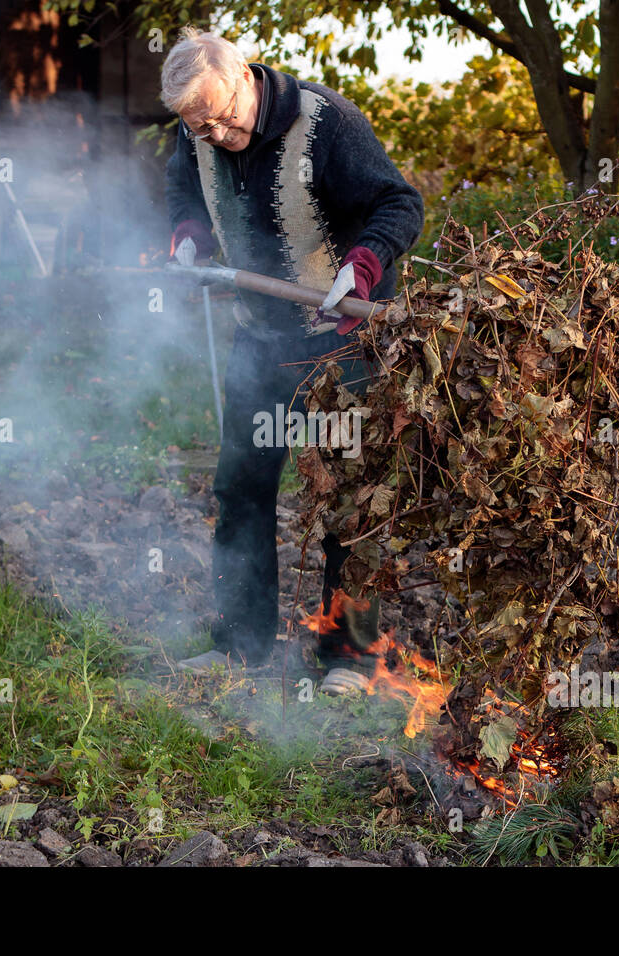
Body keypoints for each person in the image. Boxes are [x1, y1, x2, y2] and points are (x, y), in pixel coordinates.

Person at [160, 27, 424, 693]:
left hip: (340, 342)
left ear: (246, 77)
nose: (216, 136)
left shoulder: (326, 123)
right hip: (258, 337)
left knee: (349, 498)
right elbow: (185, 194)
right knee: (241, 488)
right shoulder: (194, 131)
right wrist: (189, 238)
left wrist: (362, 267)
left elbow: (399, 203)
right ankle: (240, 644)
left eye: (224, 118)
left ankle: (351, 659)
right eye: (201, 127)